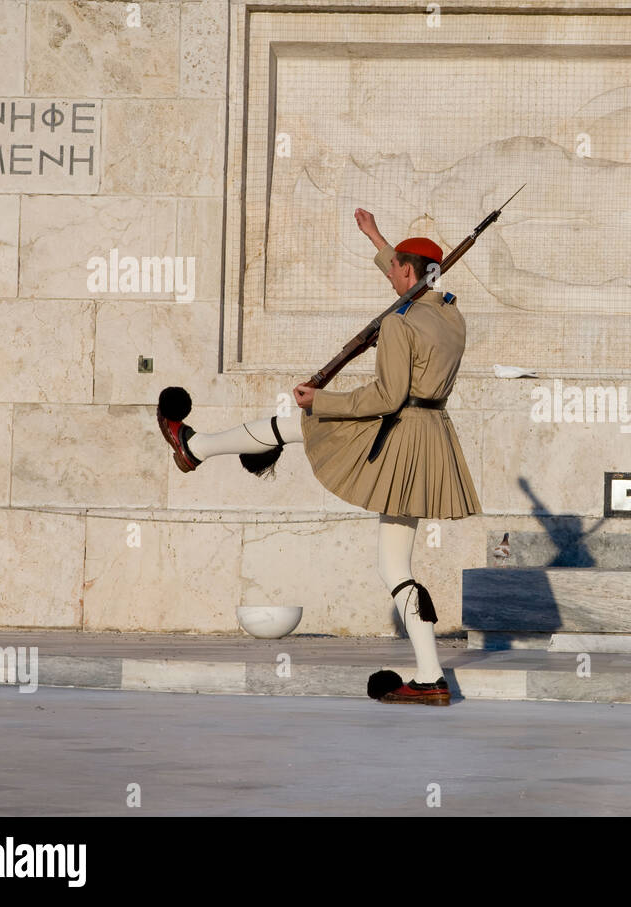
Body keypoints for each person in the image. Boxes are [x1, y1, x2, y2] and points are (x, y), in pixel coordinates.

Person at [156, 208, 480, 706]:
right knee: (393, 560)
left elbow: (387, 396)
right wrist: (376, 238)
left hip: (396, 431)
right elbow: (413, 281)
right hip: (431, 436)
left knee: (304, 423)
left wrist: (321, 402)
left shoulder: (399, 324)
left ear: (410, 275)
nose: (389, 272)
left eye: (394, 268)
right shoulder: (452, 316)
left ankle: (192, 448)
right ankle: (431, 678)